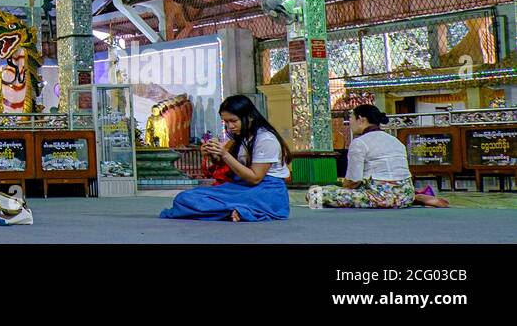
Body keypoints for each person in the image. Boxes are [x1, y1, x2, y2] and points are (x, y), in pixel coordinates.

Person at [160, 94, 291, 222]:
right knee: (185, 198)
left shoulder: (265, 139)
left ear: (250, 117)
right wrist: (212, 154)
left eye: (233, 121)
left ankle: (248, 209)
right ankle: (239, 210)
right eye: (226, 122)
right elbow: (228, 165)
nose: (230, 126)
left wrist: (224, 154)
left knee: (189, 202)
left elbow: (255, 178)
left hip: (266, 190)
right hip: (242, 187)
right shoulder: (240, 136)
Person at [318, 104, 448, 209]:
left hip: (380, 197)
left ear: (361, 119)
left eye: (351, 118)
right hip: (405, 195)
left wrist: (340, 187)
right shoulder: (395, 140)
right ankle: (417, 197)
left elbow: (353, 181)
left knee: (315, 193)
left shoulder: (359, 143)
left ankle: (412, 198)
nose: (349, 122)